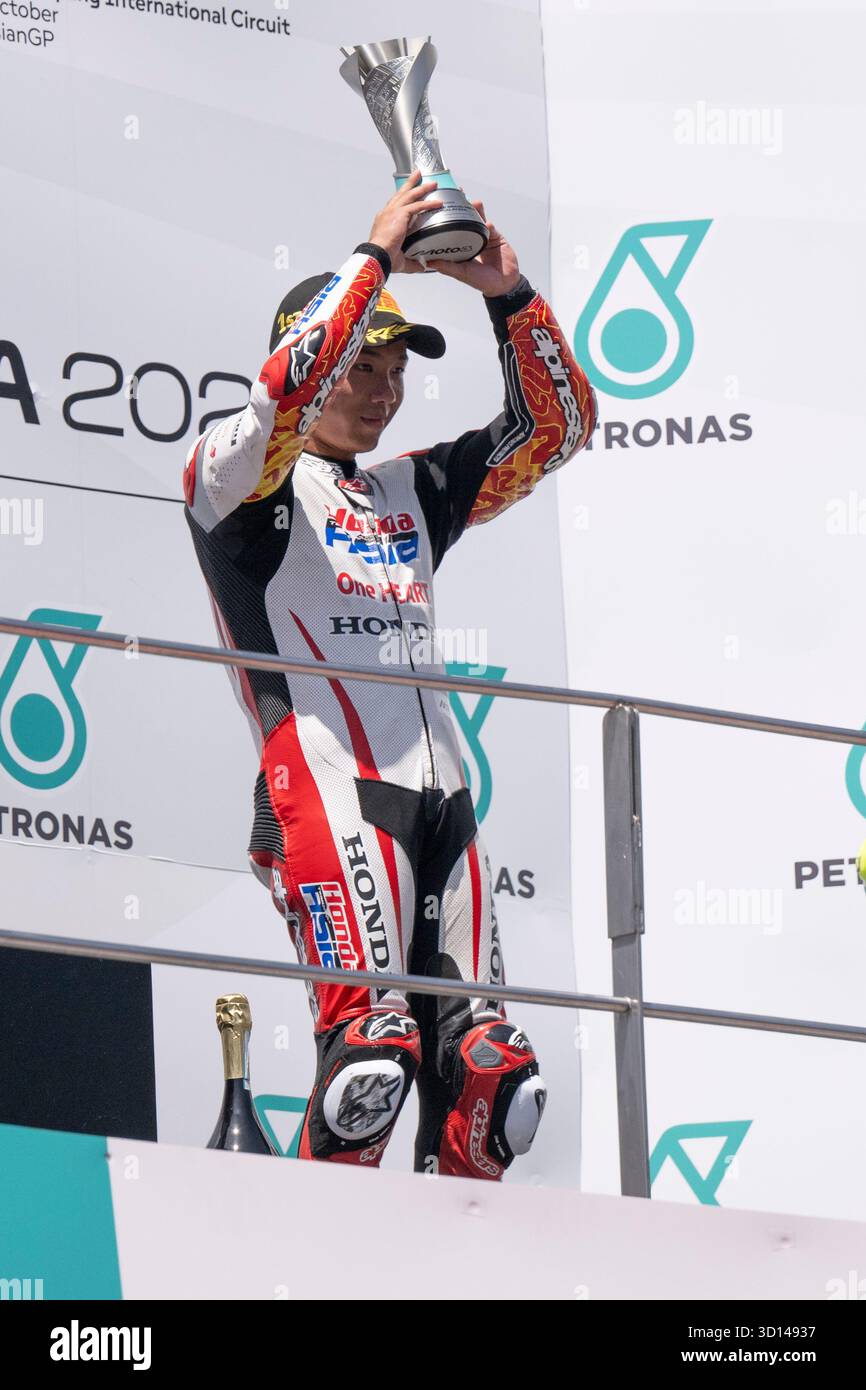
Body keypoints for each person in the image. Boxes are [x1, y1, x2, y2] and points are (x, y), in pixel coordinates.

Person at [183, 172, 597, 1179]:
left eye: (397, 372)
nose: (383, 390)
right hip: (322, 794)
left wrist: (507, 290)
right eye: (365, 367)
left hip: (446, 806)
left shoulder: (413, 487)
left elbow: (559, 432)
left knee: (501, 1086)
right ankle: (318, 1264)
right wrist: (370, 259)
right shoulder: (232, 481)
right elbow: (283, 393)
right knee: (368, 1061)